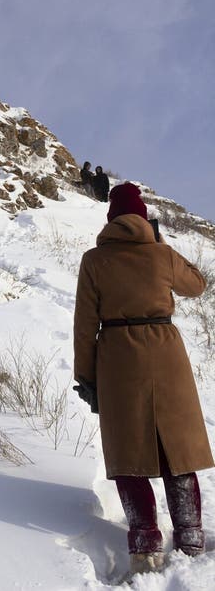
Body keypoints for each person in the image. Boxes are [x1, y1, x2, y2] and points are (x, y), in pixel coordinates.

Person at [74, 182, 213, 577]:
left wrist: (86, 376)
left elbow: (85, 325)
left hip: (118, 358)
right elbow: (198, 285)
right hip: (166, 354)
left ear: (111, 220)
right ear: (143, 217)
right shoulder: (161, 253)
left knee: (128, 453)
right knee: (177, 448)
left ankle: (145, 543)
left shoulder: (94, 260)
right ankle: (190, 537)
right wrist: (161, 243)